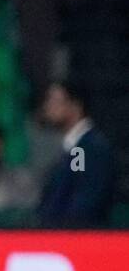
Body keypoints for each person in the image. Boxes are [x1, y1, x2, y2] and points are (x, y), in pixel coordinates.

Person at [36, 81, 115, 225]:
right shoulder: (75, 148)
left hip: (78, 240)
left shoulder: (87, 148)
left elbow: (85, 200)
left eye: (54, 100)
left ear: (75, 106)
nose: (47, 107)